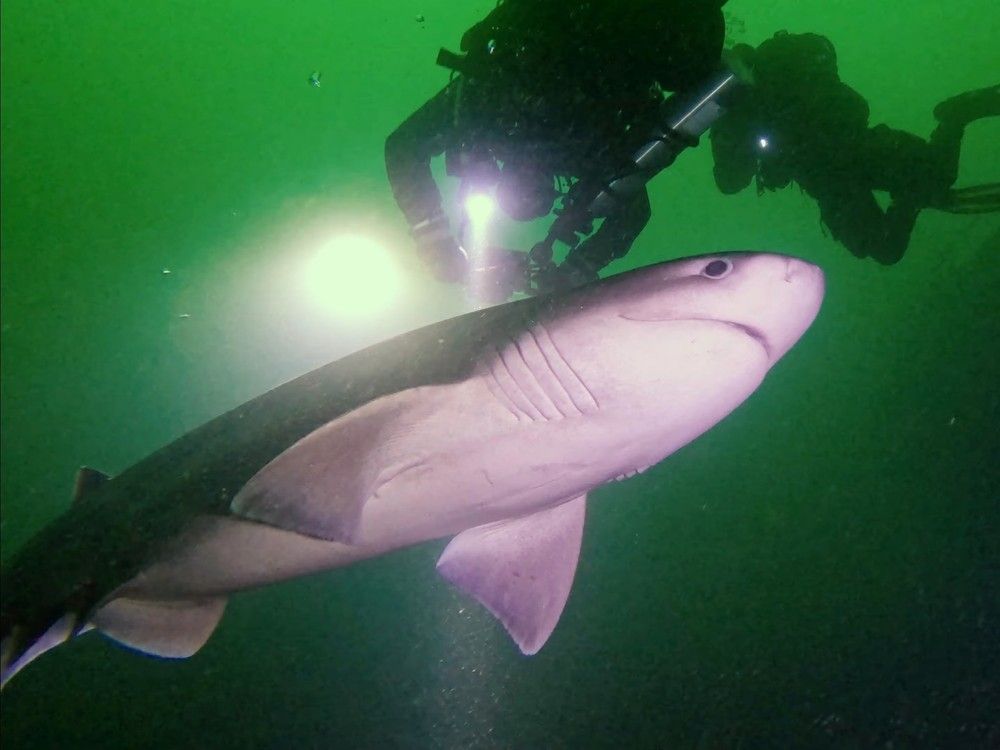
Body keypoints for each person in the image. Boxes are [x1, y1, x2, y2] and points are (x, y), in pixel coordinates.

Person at [385, 0, 730, 297]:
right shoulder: (581, 149)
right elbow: (633, 212)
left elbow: (403, 147)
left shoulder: (489, 104)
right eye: (537, 199)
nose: (530, 191)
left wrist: (436, 242)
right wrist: (575, 270)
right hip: (624, 40)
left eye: (520, 196)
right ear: (553, 191)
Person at [710, 31, 1000, 264]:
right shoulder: (773, 70)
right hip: (856, 145)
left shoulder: (731, 114)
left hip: (830, 177)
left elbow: (730, 182)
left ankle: (913, 194)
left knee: (886, 248)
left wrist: (728, 136)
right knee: (939, 176)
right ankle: (956, 117)